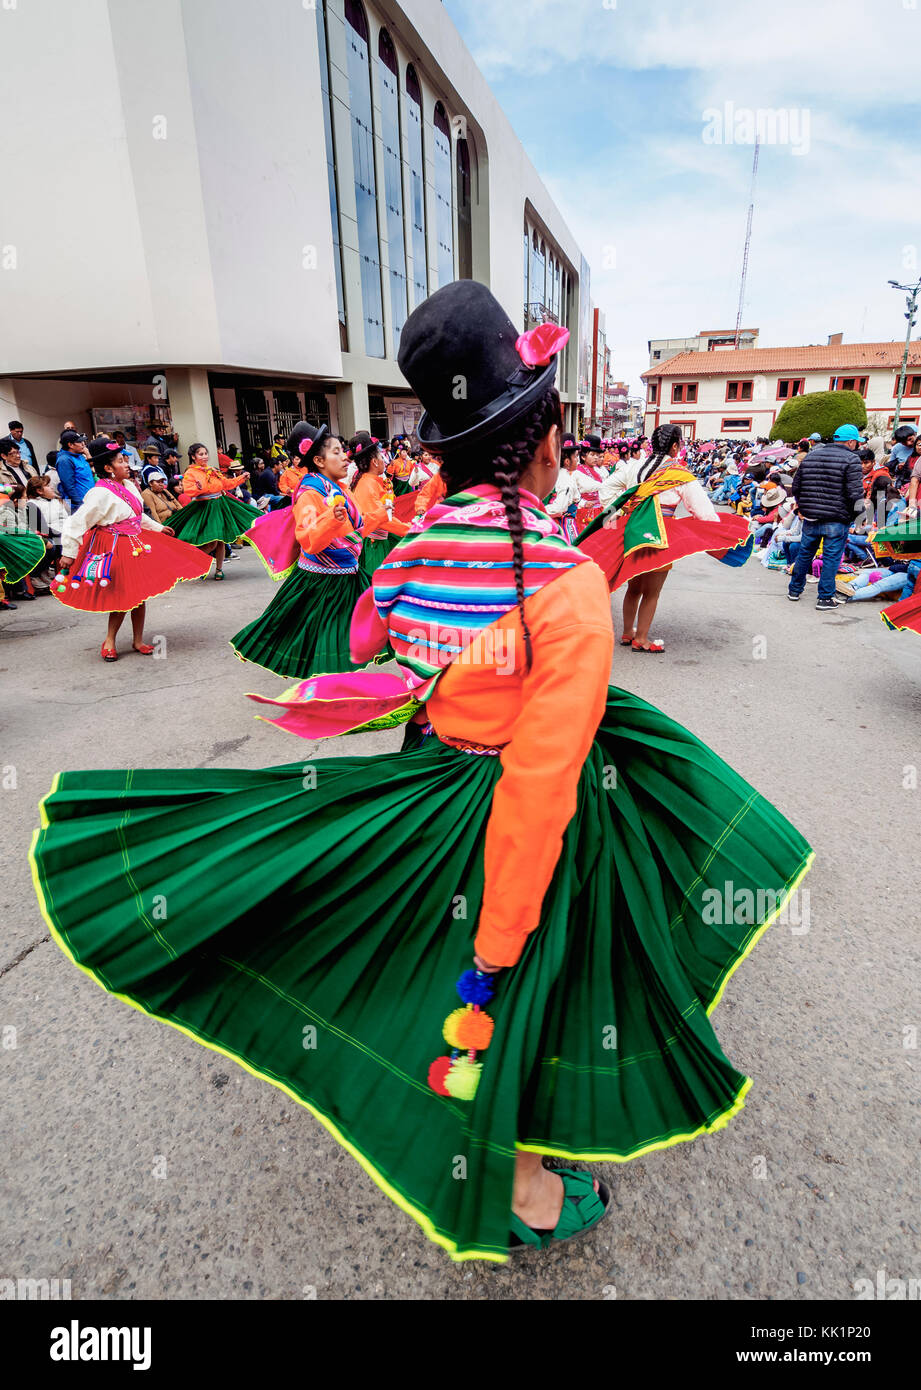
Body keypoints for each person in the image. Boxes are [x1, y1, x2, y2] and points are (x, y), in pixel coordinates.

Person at [30, 281, 813, 1263]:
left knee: (446, 986)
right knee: (521, 983)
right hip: (511, 817)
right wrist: (496, 933)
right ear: (539, 440)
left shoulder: (411, 549)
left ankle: (510, 1144)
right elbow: (540, 778)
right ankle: (523, 1184)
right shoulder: (565, 582)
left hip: (430, 780)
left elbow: (375, 639)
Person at [230, 420, 391, 677]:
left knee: (353, 641)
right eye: (337, 452)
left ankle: (332, 697)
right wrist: (331, 519)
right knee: (330, 650)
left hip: (349, 577)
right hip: (320, 583)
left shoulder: (341, 489)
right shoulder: (309, 493)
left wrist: (381, 515)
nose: (346, 458)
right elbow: (308, 539)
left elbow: (355, 533)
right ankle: (328, 700)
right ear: (319, 460)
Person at [580, 423, 748, 652]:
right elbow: (703, 511)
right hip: (661, 534)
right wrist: (717, 533)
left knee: (634, 586)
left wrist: (617, 513)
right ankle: (642, 638)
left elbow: (607, 488)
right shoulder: (680, 474)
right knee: (652, 591)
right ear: (676, 446)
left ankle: (627, 632)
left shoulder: (635, 467)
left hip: (632, 529)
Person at [49, 439, 211, 659]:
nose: (127, 464)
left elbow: (136, 515)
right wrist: (68, 553)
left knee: (139, 593)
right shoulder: (99, 493)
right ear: (108, 468)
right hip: (113, 545)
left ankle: (137, 640)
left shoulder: (127, 486)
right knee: (123, 595)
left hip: (133, 542)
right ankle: (109, 640)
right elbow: (77, 522)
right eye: (120, 461)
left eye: (125, 460)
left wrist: (157, 527)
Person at [787, 424, 865, 611]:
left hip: (811, 516)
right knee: (831, 558)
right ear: (851, 441)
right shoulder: (851, 459)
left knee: (805, 553)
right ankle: (824, 598)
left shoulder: (811, 455)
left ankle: (794, 590)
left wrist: (803, 507)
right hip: (837, 518)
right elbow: (855, 493)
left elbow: (796, 486)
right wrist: (856, 516)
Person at [167, 443, 256, 579]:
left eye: (205, 453)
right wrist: (200, 488)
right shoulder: (190, 473)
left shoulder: (213, 471)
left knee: (220, 540)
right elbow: (189, 491)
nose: (204, 456)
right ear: (193, 456)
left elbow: (225, 484)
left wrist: (241, 478)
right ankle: (189, 563)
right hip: (204, 508)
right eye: (200, 454)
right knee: (212, 542)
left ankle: (219, 570)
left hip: (218, 504)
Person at [350, 431, 411, 584]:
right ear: (374, 462)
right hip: (374, 546)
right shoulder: (367, 485)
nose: (385, 460)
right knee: (377, 587)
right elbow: (383, 519)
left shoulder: (372, 482)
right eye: (381, 457)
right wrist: (408, 529)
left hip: (380, 540)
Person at [55, 429, 95, 511]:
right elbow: (69, 487)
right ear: (70, 445)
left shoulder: (79, 455)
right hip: (80, 505)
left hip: (90, 501)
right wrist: (80, 505)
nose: (83, 444)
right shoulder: (64, 460)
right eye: (79, 442)